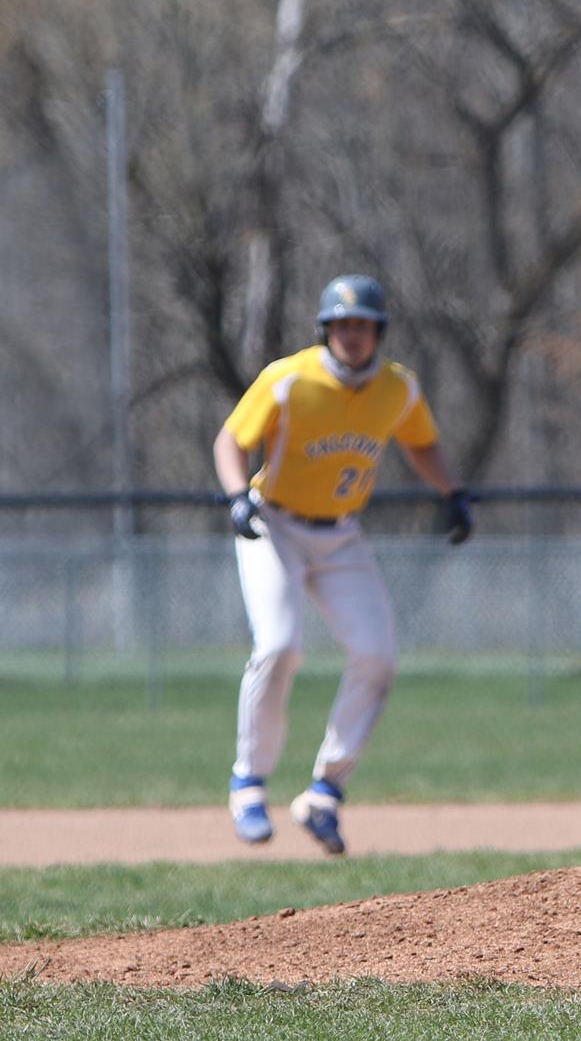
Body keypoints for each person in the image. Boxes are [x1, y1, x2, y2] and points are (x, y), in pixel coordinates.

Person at [213, 275, 474, 855]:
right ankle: (248, 782)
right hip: (272, 524)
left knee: (378, 656)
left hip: (341, 535)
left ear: (379, 331)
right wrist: (235, 495)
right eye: (343, 325)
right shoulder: (288, 379)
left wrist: (452, 491)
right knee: (279, 646)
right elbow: (231, 440)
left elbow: (422, 442)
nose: (353, 336)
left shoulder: (397, 389)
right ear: (326, 329)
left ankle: (325, 792)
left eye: (363, 325)